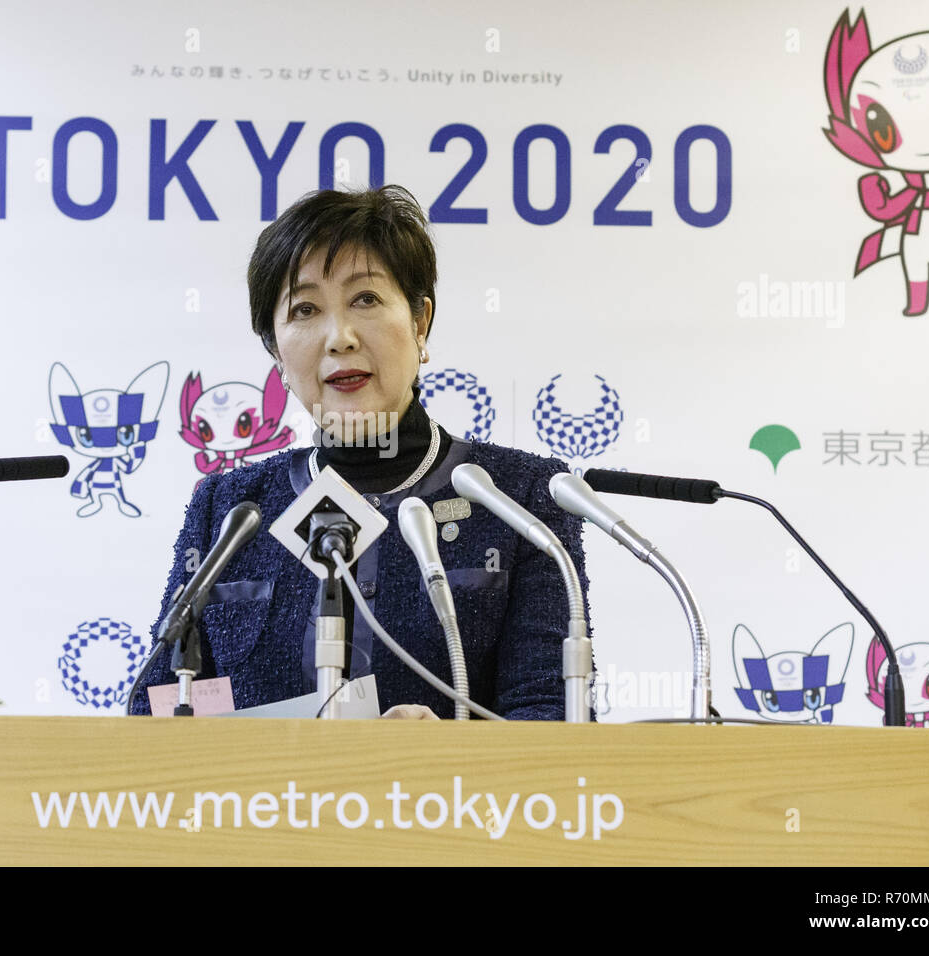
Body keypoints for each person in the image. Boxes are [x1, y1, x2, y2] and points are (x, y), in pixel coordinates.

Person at [129, 185, 591, 719]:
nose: (339, 337)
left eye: (365, 299)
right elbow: (160, 711)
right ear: (276, 352)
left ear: (420, 322)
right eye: (304, 309)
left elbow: (553, 715)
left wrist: (450, 751)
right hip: (260, 805)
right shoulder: (231, 509)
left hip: (451, 802)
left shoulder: (519, 498)